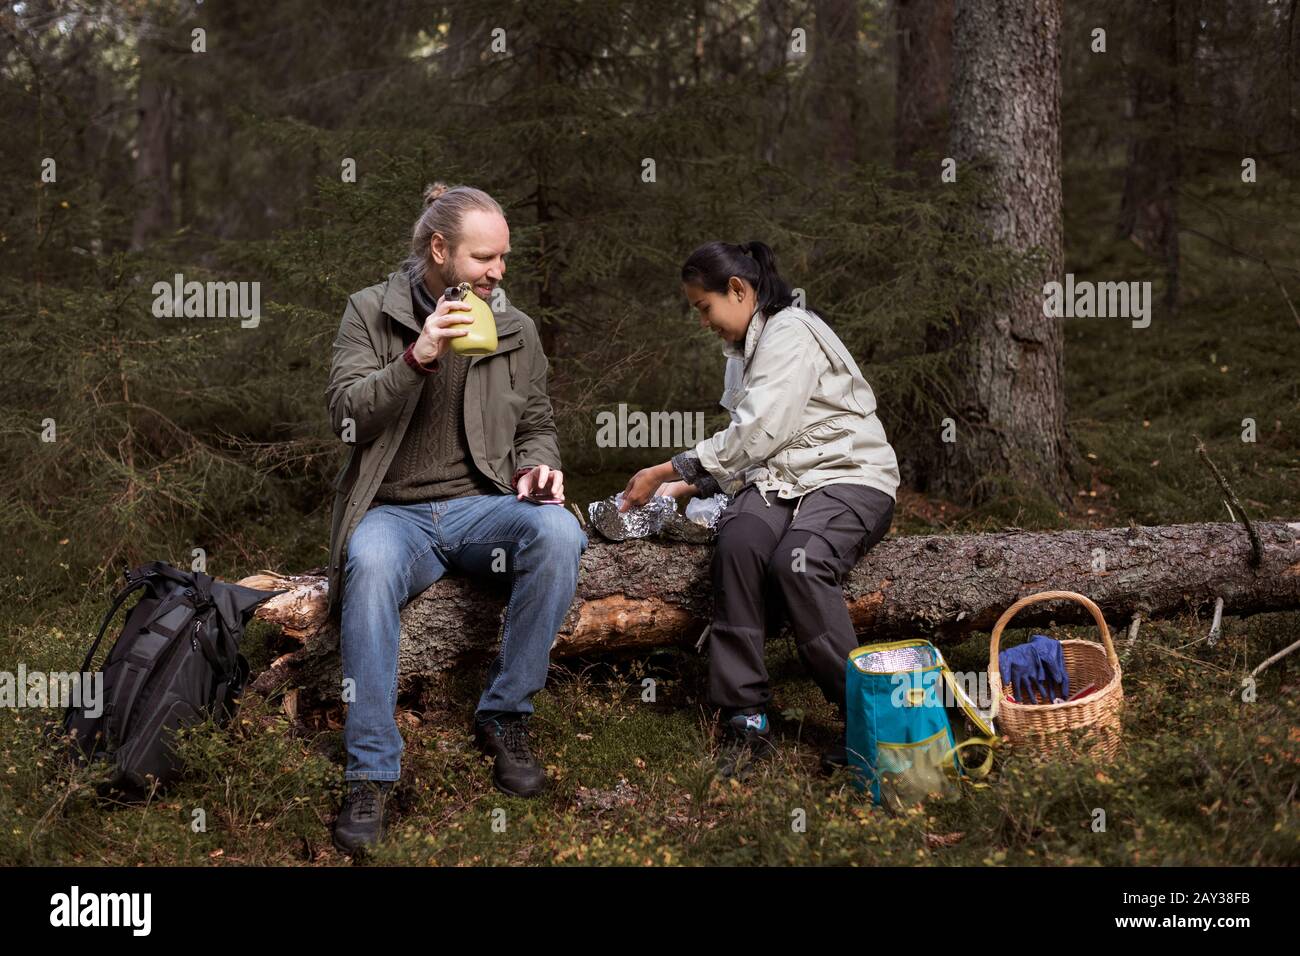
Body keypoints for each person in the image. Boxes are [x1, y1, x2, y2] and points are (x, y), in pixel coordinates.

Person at [324, 182, 587, 854]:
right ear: (439, 250)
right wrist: (417, 360)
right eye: (483, 258)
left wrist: (535, 466)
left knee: (559, 531)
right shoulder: (369, 313)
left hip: (481, 509)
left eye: (503, 258)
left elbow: (537, 422)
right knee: (370, 565)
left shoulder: (515, 328)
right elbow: (348, 415)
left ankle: (504, 714)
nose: (498, 272)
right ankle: (372, 773)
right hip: (395, 514)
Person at [620, 240, 898, 780]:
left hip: (848, 476)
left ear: (739, 291)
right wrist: (690, 488)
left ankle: (868, 723)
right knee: (740, 543)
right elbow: (752, 450)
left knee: (797, 563)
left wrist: (666, 471)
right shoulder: (743, 352)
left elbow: (758, 431)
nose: (703, 321)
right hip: (780, 483)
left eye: (704, 307)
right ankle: (745, 717)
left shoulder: (790, 333)